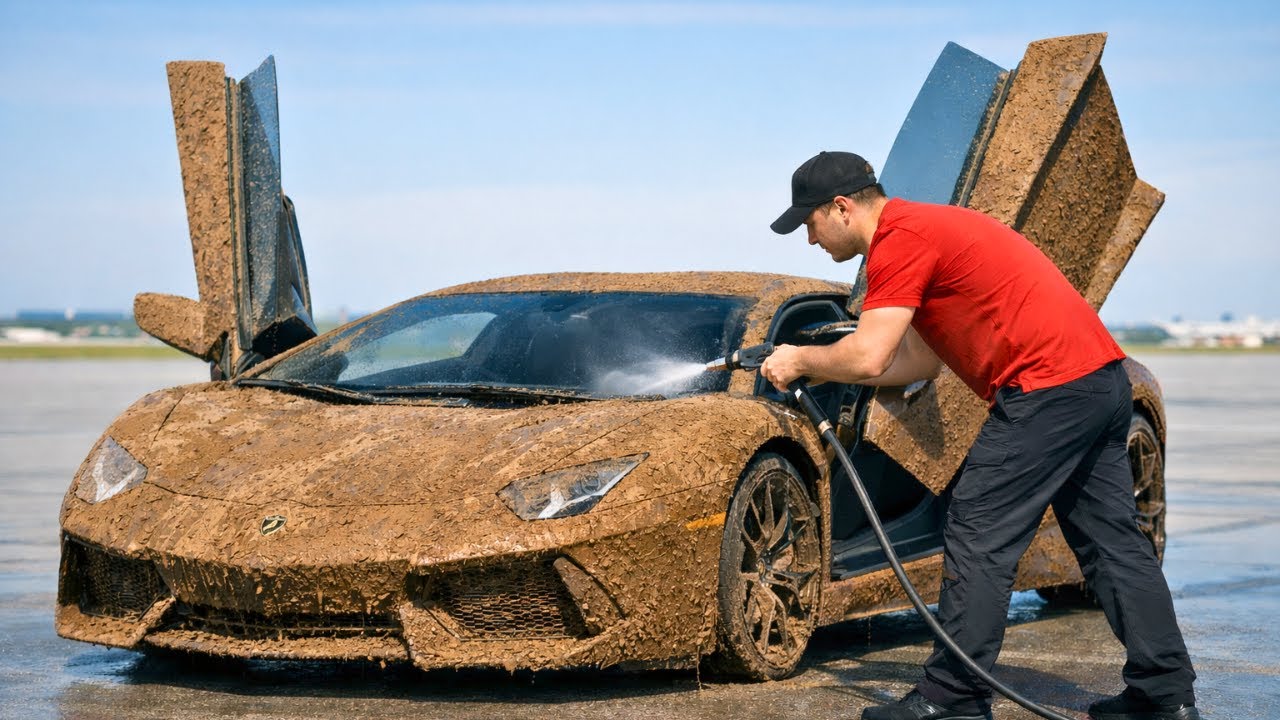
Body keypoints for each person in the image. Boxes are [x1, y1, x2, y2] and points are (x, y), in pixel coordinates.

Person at [761, 151, 1199, 720]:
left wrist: (798, 359)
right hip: (1099, 381)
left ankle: (955, 699)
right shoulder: (925, 230)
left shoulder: (899, 239)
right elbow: (914, 362)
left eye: (809, 223)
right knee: (1112, 545)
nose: (810, 240)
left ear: (841, 207)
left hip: (1048, 389)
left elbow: (869, 358)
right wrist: (818, 368)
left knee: (975, 530)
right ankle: (1165, 696)